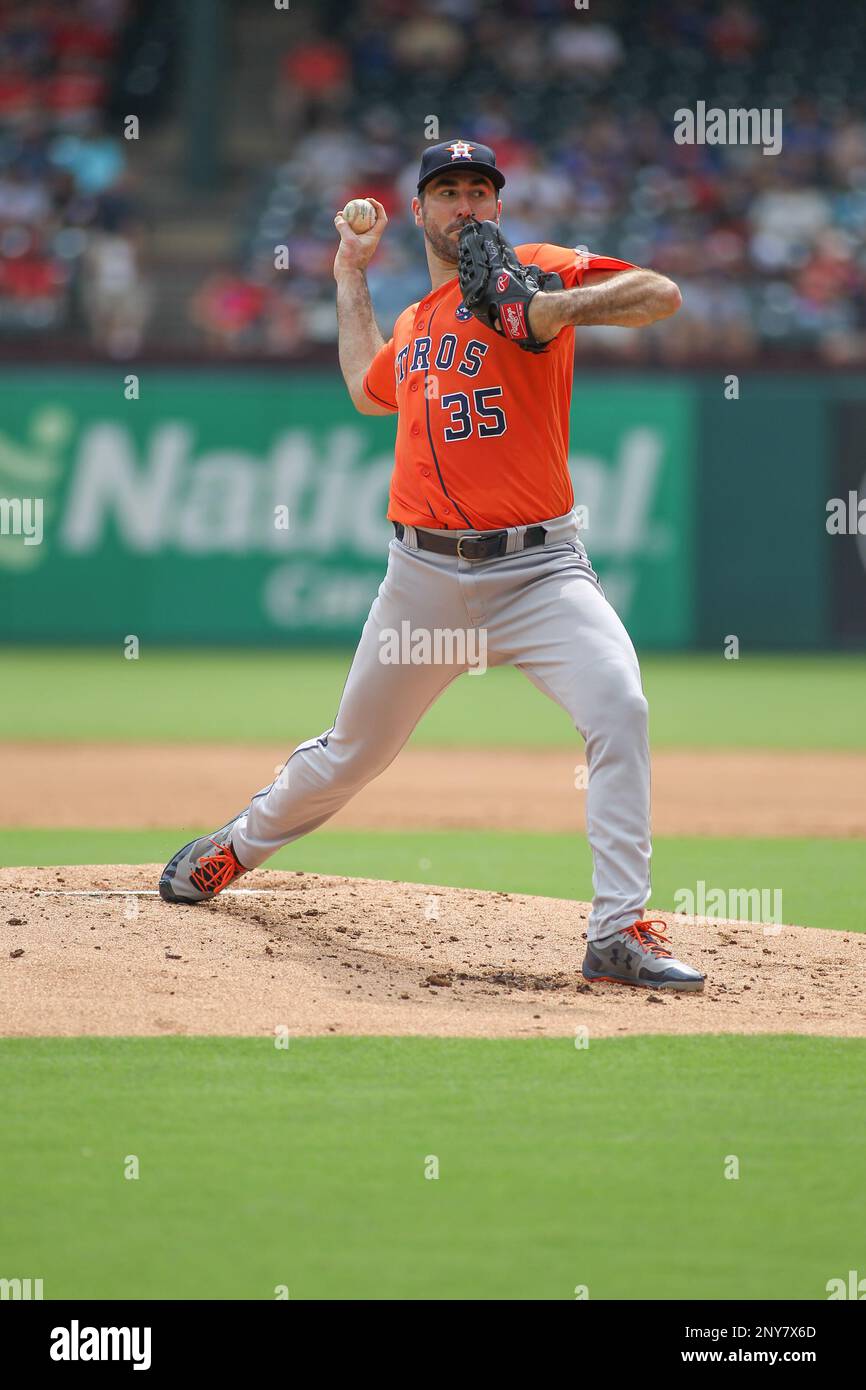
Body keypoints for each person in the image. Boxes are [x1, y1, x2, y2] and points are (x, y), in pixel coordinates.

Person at [159, 139, 704, 993]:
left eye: (480, 191)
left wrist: (553, 310)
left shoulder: (540, 269)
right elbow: (361, 386)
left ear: (499, 206)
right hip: (424, 584)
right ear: (420, 211)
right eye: (446, 191)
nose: (466, 205)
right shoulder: (415, 325)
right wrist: (349, 271)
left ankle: (617, 933)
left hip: (541, 573)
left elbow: (660, 296)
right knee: (353, 754)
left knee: (620, 706)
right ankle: (235, 846)